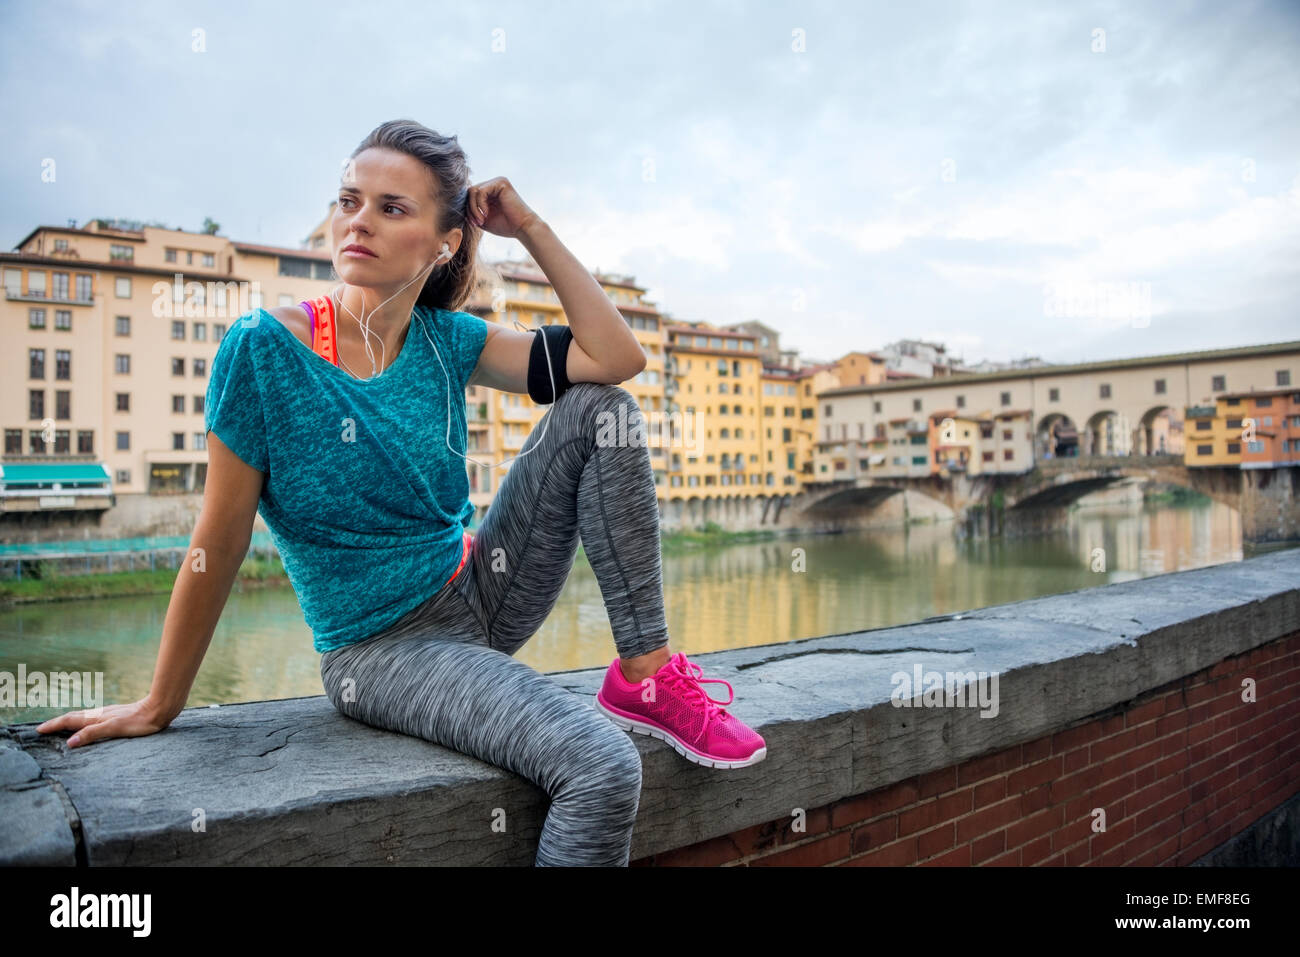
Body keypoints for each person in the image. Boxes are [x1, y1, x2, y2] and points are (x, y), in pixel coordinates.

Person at [35, 119, 766, 867]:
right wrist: (161, 702)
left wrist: (531, 228)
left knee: (602, 408)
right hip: (382, 650)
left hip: (485, 588)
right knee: (603, 766)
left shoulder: (448, 339)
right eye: (350, 199)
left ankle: (645, 675)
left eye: (391, 207)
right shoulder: (262, 350)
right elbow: (216, 543)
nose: (358, 220)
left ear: (444, 241)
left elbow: (617, 356)